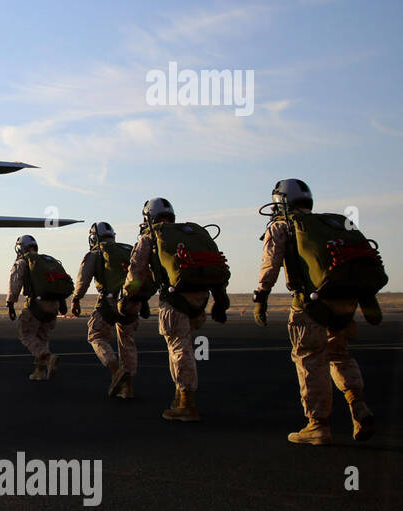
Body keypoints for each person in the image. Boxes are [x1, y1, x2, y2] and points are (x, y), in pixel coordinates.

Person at [254, 178, 383, 445]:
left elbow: (271, 265)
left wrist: (261, 296)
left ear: (281, 200)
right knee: (340, 355)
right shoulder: (330, 226)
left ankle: (318, 425)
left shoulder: (283, 226)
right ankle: (357, 406)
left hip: (309, 306)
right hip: (344, 305)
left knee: (310, 361)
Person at [121, 198, 230, 422]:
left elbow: (136, 275)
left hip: (175, 301)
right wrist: (220, 300)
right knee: (183, 347)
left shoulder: (150, 237)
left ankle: (186, 402)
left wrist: (127, 296)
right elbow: (216, 268)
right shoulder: (193, 234)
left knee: (179, 349)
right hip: (200, 301)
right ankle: (179, 397)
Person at [71, 222, 137, 398]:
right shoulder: (129, 250)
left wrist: (76, 299)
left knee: (95, 334)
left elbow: (83, 280)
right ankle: (127, 388)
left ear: (93, 237)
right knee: (127, 342)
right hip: (133, 301)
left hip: (110, 301)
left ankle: (116, 371)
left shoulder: (96, 253)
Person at [6, 235, 72, 380]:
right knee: (42, 338)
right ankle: (39, 371)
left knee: (26, 334)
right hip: (53, 307)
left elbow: (15, 282)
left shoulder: (22, 262)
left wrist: (10, 303)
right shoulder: (48, 262)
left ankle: (48, 358)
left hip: (36, 306)